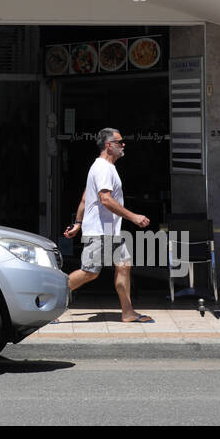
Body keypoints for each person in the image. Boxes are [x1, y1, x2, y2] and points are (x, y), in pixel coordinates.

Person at [63, 127, 153, 323]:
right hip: (99, 231)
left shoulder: (103, 167)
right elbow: (105, 199)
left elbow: (86, 198)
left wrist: (78, 223)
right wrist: (133, 217)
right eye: (119, 142)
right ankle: (47, 297)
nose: (123, 145)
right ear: (108, 145)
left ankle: (128, 312)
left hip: (109, 231)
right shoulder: (103, 168)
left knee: (123, 265)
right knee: (89, 272)